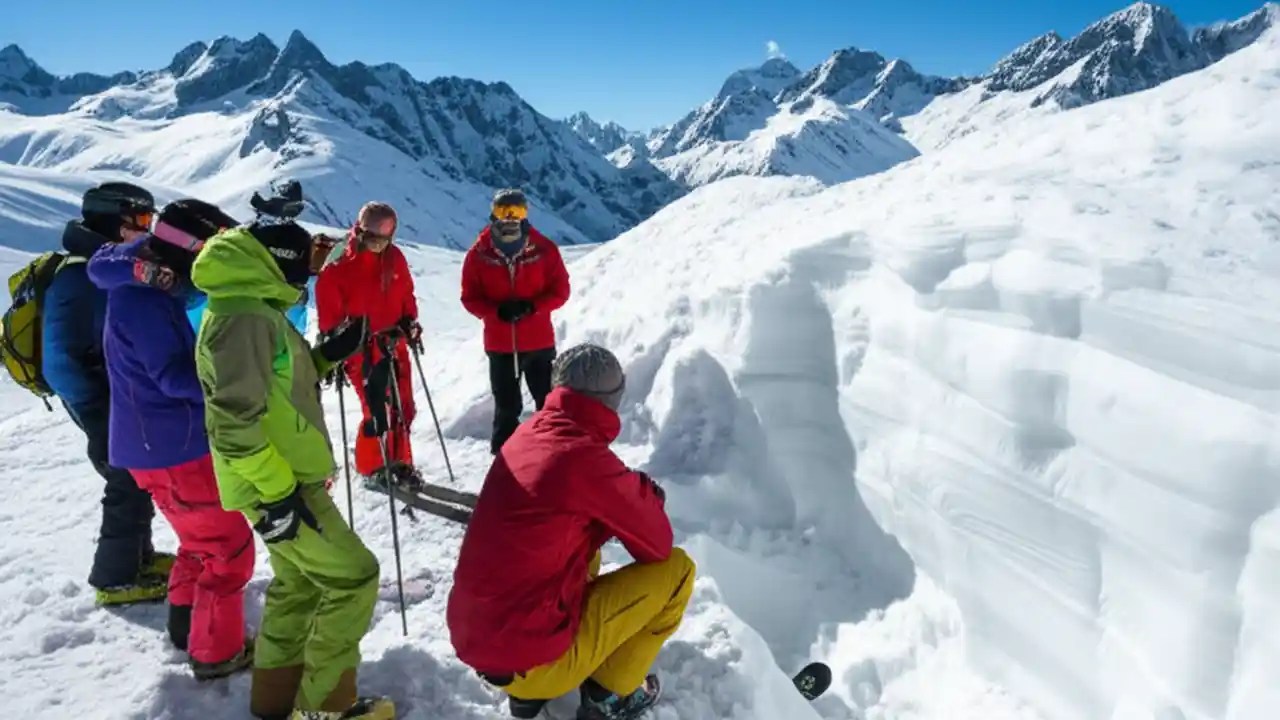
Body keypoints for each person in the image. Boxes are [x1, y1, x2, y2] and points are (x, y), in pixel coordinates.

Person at [190, 203, 393, 719]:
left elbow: (281, 384)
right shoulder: (243, 318)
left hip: (281, 481)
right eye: (306, 264)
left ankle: (276, 699)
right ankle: (326, 707)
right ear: (280, 261)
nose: (311, 274)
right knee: (354, 577)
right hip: (281, 487)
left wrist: (326, 353)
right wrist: (279, 495)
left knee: (299, 584)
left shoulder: (253, 305)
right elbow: (235, 424)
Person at [447, 344, 695, 720]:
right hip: (529, 658)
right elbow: (657, 546)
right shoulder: (583, 459)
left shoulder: (528, 435)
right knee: (678, 572)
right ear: (611, 402)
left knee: (577, 544)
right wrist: (641, 494)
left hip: (482, 642)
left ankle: (528, 695)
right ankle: (607, 697)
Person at [86, 198, 256, 680]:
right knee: (228, 549)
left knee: (197, 541)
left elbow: (108, 262)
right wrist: (239, 378)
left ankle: (187, 627)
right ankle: (216, 654)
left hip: (157, 444)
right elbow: (172, 377)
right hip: (172, 448)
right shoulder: (144, 300)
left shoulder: (145, 273)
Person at [42, 181, 174, 606]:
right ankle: (114, 578)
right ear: (112, 221)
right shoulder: (81, 275)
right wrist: (98, 405)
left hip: (110, 393)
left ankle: (138, 558)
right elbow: (61, 357)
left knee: (138, 473)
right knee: (125, 478)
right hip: (98, 399)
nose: (145, 229)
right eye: (139, 220)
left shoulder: (100, 266)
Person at [314, 202, 422, 489]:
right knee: (378, 409)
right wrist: (338, 345)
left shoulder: (393, 257)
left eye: (383, 239)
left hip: (393, 341)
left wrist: (409, 321)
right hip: (361, 350)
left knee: (404, 407)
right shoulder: (338, 267)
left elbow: (405, 293)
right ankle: (372, 467)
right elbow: (329, 318)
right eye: (371, 238)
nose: (377, 245)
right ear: (359, 230)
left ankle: (400, 462)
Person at [460, 188, 571, 454]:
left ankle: (551, 455)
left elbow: (561, 291)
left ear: (526, 214)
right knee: (507, 406)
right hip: (500, 345)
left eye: (517, 212)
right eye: (503, 211)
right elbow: (469, 297)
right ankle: (504, 462)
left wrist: (533, 306)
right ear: (493, 214)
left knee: (547, 403)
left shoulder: (544, 249)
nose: (510, 218)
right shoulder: (479, 254)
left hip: (538, 342)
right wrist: (496, 312)